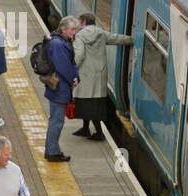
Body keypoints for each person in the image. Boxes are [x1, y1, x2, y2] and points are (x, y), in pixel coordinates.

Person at [72, 11, 132, 140]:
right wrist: (131, 40)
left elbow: (79, 55)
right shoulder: (101, 33)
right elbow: (116, 38)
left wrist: (73, 69)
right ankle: (85, 129)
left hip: (86, 74)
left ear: (83, 22)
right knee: (93, 103)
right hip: (98, 75)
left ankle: (99, 134)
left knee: (87, 104)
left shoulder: (80, 36)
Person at [43, 16, 80, 163]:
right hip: (59, 88)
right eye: (72, 29)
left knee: (56, 120)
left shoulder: (64, 41)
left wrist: (76, 76)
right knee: (56, 121)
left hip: (61, 87)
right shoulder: (58, 44)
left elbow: (72, 63)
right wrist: (73, 79)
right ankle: (53, 152)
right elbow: (64, 67)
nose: (74, 32)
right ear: (64, 29)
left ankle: (50, 149)